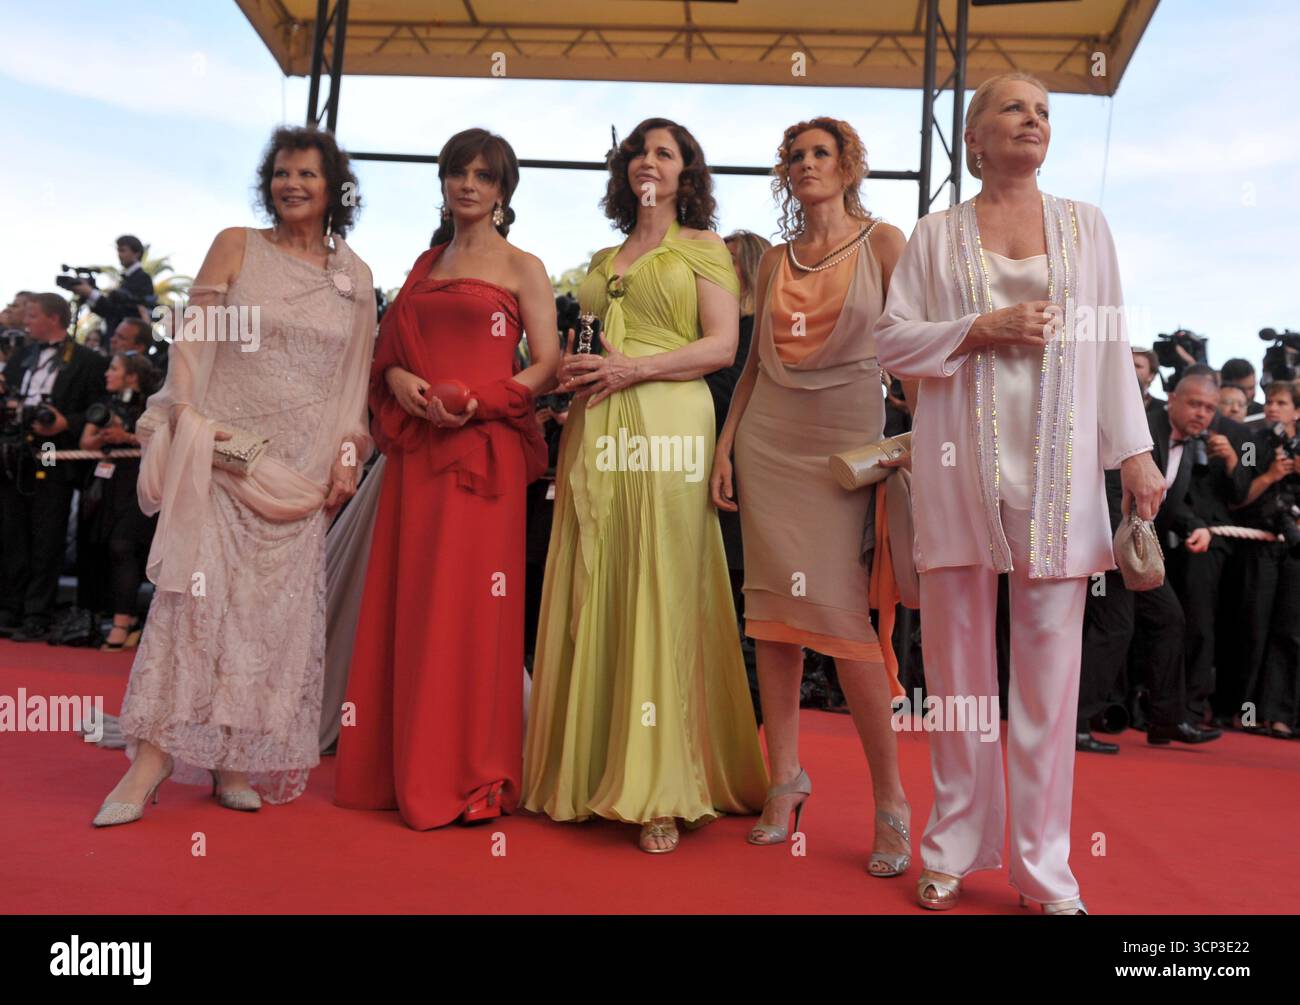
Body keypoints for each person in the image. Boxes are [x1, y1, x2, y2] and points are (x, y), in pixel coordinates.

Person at [874, 72, 1164, 914]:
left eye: (1043, 111)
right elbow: (893, 342)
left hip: (1062, 474)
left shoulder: (1087, 226)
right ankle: (952, 845)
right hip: (958, 469)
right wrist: (978, 328)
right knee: (961, 673)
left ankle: (1045, 871)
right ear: (973, 136)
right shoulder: (934, 236)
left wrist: (1136, 454)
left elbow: (1111, 346)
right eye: (1013, 107)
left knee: (1049, 682)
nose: (1032, 120)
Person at [91, 125, 375, 826]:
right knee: (194, 605)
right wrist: (192, 420)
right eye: (281, 173)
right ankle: (151, 759)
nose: (292, 185)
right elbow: (195, 337)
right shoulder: (237, 244)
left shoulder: (357, 276)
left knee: (266, 622)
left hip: (301, 472)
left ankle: (232, 757)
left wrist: (345, 456)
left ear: (334, 186)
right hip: (224, 451)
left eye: (308, 174)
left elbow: (353, 382)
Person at [522, 117, 768, 853]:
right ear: (624, 169)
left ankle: (664, 784)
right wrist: (574, 369)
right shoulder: (601, 257)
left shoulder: (703, 248)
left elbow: (722, 345)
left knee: (662, 583)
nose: (649, 161)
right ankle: (589, 767)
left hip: (670, 420)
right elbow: (588, 342)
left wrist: (633, 368)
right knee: (599, 582)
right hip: (595, 426)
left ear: (687, 172)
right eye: (640, 150)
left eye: (666, 151)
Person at [334, 128, 557, 829]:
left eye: (484, 176)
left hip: (484, 452)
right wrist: (401, 382)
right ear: (444, 180)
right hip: (419, 456)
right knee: (414, 599)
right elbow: (389, 351)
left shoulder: (525, 266)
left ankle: (476, 773)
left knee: (476, 608)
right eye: (458, 172)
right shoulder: (424, 265)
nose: (468, 185)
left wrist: (483, 401)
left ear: (502, 190)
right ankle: (408, 764)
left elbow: (546, 362)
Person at [711, 117, 913, 873]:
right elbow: (756, 365)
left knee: (843, 619)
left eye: (819, 153)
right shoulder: (774, 262)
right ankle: (784, 776)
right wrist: (727, 447)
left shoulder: (886, 242)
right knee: (771, 615)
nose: (804, 164)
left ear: (849, 164)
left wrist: (929, 433)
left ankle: (891, 799)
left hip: (844, 452)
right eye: (794, 156)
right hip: (769, 443)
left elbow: (914, 353)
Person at [1147, 365, 1251, 725]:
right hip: (1161, 536)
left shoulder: (1242, 434)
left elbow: (1242, 494)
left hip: (1210, 542)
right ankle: (1150, 711)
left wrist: (1234, 459)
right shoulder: (1163, 430)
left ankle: (1185, 711)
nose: (1205, 413)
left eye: (1212, 406)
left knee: (1197, 625)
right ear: (1176, 398)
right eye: (1198, 404)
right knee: (1155, 622)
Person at [0, 293, 108, 641]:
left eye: (32, 315)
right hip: (16, 452)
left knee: (46, 534)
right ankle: (10, 608)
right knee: (13, 532)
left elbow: (98, 409)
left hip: (51, 449)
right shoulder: (22, 357)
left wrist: (66, 423)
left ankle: (36, 613)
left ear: (54, 318)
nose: (26, 321)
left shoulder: (87, 360)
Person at [1228, 380, 1299, 737]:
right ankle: (1245, 711)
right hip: (1257, 544)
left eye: (1282, 402)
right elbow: (1239, 498)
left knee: (1288, 633)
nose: (1272, 408)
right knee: (1252, 628)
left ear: (1297, 411)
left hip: (1293, 549)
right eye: (1269, 401)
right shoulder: (1252, 444)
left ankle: (1280, 714)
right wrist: (1271, 475)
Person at [79, 352, 161, 651]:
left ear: (132, 376)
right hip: (109, 485)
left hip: (142, 484)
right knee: (111, 549)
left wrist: (126, 437)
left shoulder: (153, 407)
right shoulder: (106, 405)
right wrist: (106, 436)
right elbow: (85, 442)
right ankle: (123, 618)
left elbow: (164, 440)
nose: (106, 374)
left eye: (114, 369)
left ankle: (123, 621)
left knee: (123, 546)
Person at [72, 235, 157, 339]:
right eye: (118, 251)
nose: (119, 255)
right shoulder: (126, 279)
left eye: (123, 250)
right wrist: (88, 295)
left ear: (136, 253)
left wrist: (91, 293)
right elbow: (108, 312)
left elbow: (126, 312)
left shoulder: (143, 278)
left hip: (127, 340)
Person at [1132, 348, 1165, 414]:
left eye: (1138, 366)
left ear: (1151, 376)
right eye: (1128, 364)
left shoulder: (1163, 410)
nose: (1131, 369)